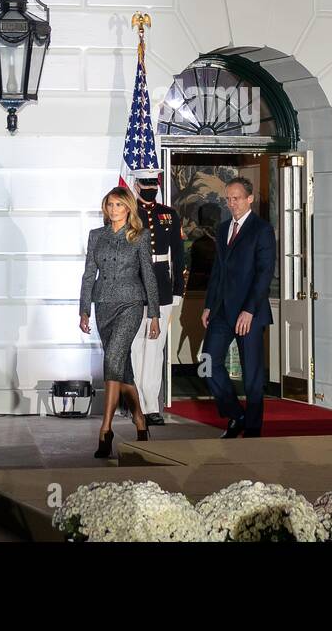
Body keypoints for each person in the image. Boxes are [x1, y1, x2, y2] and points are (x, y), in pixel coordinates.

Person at [79, 186, 161, 458]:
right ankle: (139, 417)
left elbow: (149, 276)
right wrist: (84, 310)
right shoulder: (96, 236)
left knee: (112, 359)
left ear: (128, 208)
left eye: (118, 205)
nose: (113, 210)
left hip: (131, 304)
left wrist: (154, 314)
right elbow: (88, 275)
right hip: (103, 306)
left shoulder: (140, 236)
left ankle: (106, 429)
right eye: (109, 205)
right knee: (122, 369)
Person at [202, 177, 275, 438]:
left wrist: (250, 310)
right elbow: (217, 272)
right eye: (228, 199)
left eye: (237, 198)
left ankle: (253, 428)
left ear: (249, 199)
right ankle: (236, 415)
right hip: (222, 310)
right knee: (208, 363)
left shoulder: (262, 230)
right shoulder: (223, 230)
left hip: (250, 313)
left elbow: (264, 274)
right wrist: (209, 306)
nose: (232, 203)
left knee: (252, 373)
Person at [128, 168, 185, 426]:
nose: (150, 187)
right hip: (135, 286)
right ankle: (136, 402)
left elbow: (179, 255)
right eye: (145, 183)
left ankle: (152, 404)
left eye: (154, 183)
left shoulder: (169, 215)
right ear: (137, 185)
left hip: (162, 287)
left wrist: (178, 290)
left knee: (156, 347)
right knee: (135, 346)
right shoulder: (128, 213)